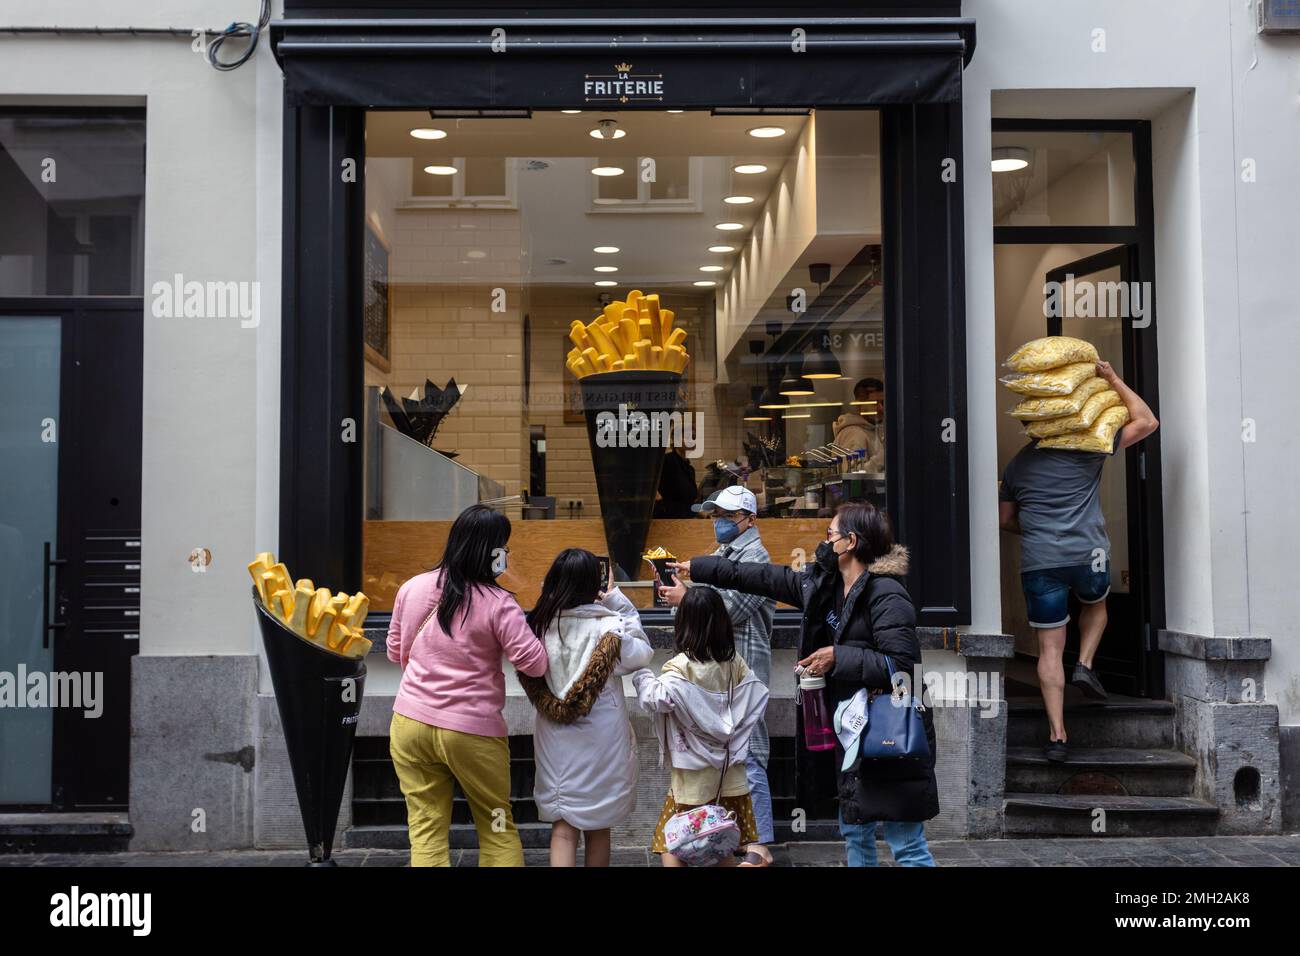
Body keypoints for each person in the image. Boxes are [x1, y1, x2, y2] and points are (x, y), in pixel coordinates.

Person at [669, 501, 938, 867]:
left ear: (850, 542)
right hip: (849, 734)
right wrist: (699, 567)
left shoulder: (887, 593)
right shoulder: (823, 585)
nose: (825, 541)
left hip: (889, 735)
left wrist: (837, 657)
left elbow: (901, 666)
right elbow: (760, 577)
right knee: (855, 837)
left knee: (905, 844)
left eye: (831, 534)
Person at [998, 359, 1159, 762]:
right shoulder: (1090, 445)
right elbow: (1147, 421)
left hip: (1039, 560)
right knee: (1096, 606)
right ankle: (1085, 663)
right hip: (1089, 553)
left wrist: (1033, 529)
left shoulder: (1018, 464)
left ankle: (1057, 737)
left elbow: (1003, 519)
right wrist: (1112, 377)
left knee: (1049, 650)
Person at [385, 504, 548, 866]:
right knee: (496, 824)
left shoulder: (411, 588)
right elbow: (534, 664)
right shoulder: (499, 603)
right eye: (504, 547)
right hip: (472, 733)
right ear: (493, 552)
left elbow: (397, 652)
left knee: (425, 827)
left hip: (410, 724)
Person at [658, 485, 776, 866]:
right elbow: (708, 605)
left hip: (741, 670)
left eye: (726, 516)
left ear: (750, 519)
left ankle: (760, 844)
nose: (719, 523)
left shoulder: (757, 559)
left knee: (750, 752)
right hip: (716, 673)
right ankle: (729, 835)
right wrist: (683, 591)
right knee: (729, 756)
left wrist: (685, 600)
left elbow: (727, 612)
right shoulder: (722, 554)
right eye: (714, 516)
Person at [518, 549, 654, 867]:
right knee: (598, 824)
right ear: (593, 585)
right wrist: (617, 601)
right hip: (602, 740)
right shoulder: (610, 628)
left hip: (554, 736)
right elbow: (643, 653)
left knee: (563, 825)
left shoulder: (538, 626)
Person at [631, 587, 770, 867]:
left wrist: (641, 675)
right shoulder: (734, 663)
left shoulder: (680, 667)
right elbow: (754, 694)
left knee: (671, 843)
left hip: (691, 781)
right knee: (721, 843)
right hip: (728, 779)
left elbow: (656, 698)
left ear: (682, 623)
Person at [832, 377, 886, 471]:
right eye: (874, 403)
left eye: (883, 403)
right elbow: (853, 475)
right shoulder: (854, 434)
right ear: (859, 405)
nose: (881, 408)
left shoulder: (871, 430)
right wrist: (881, 458)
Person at [654, 445, 699, 518]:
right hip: (667, 521)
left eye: (694, 437)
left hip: (685, 520)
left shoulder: (690, 469)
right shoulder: (666, 461)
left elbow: (689, 501)